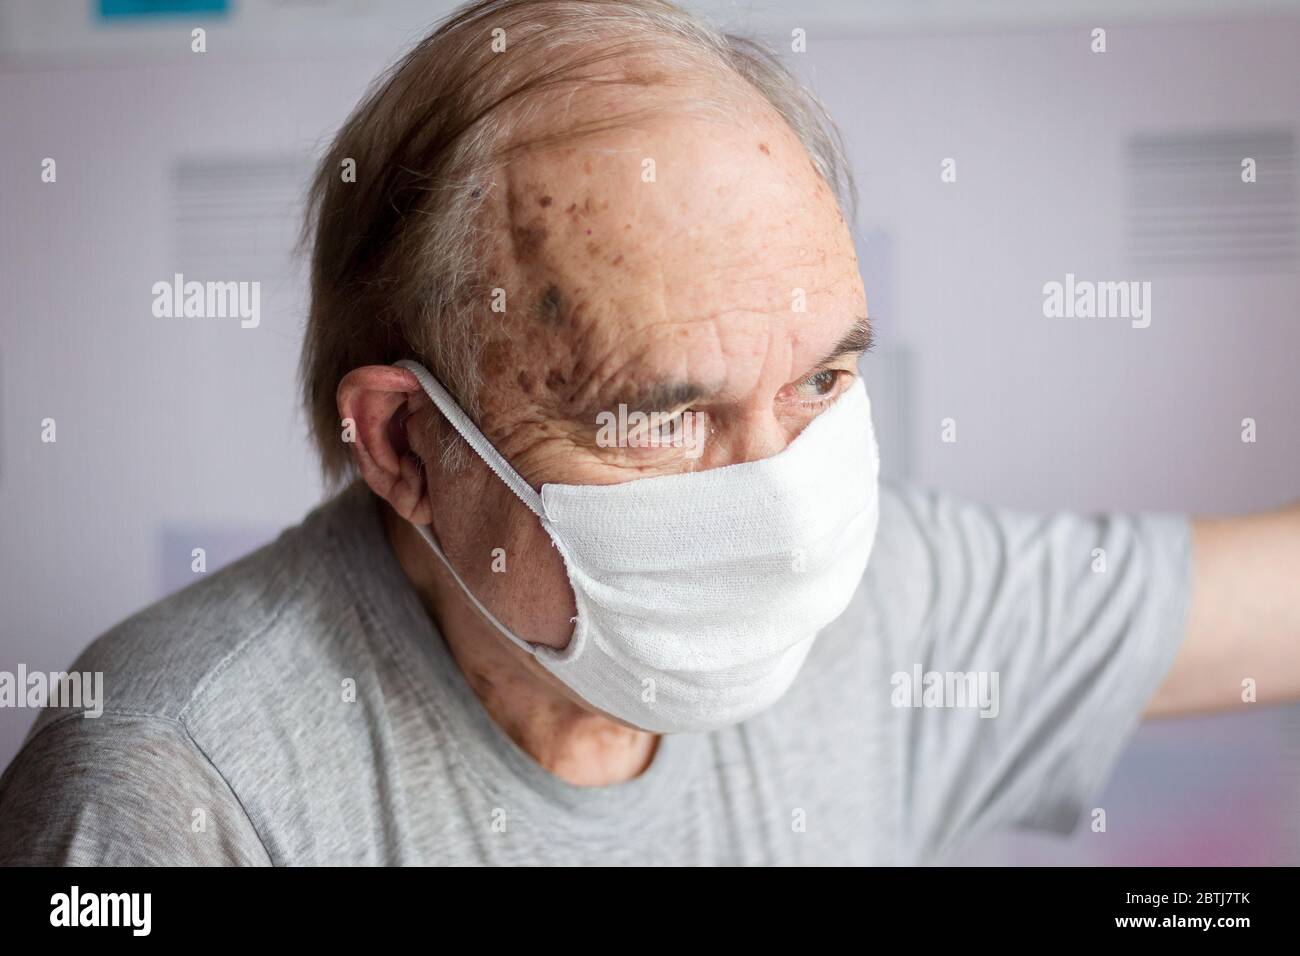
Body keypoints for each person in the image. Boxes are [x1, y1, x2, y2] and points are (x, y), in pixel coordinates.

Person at [1, 0, 1296, 866]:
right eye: (663, 416)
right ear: (405, 445)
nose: (786, 514)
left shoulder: (889, 608)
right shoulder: (173, 787)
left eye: (821, 381)